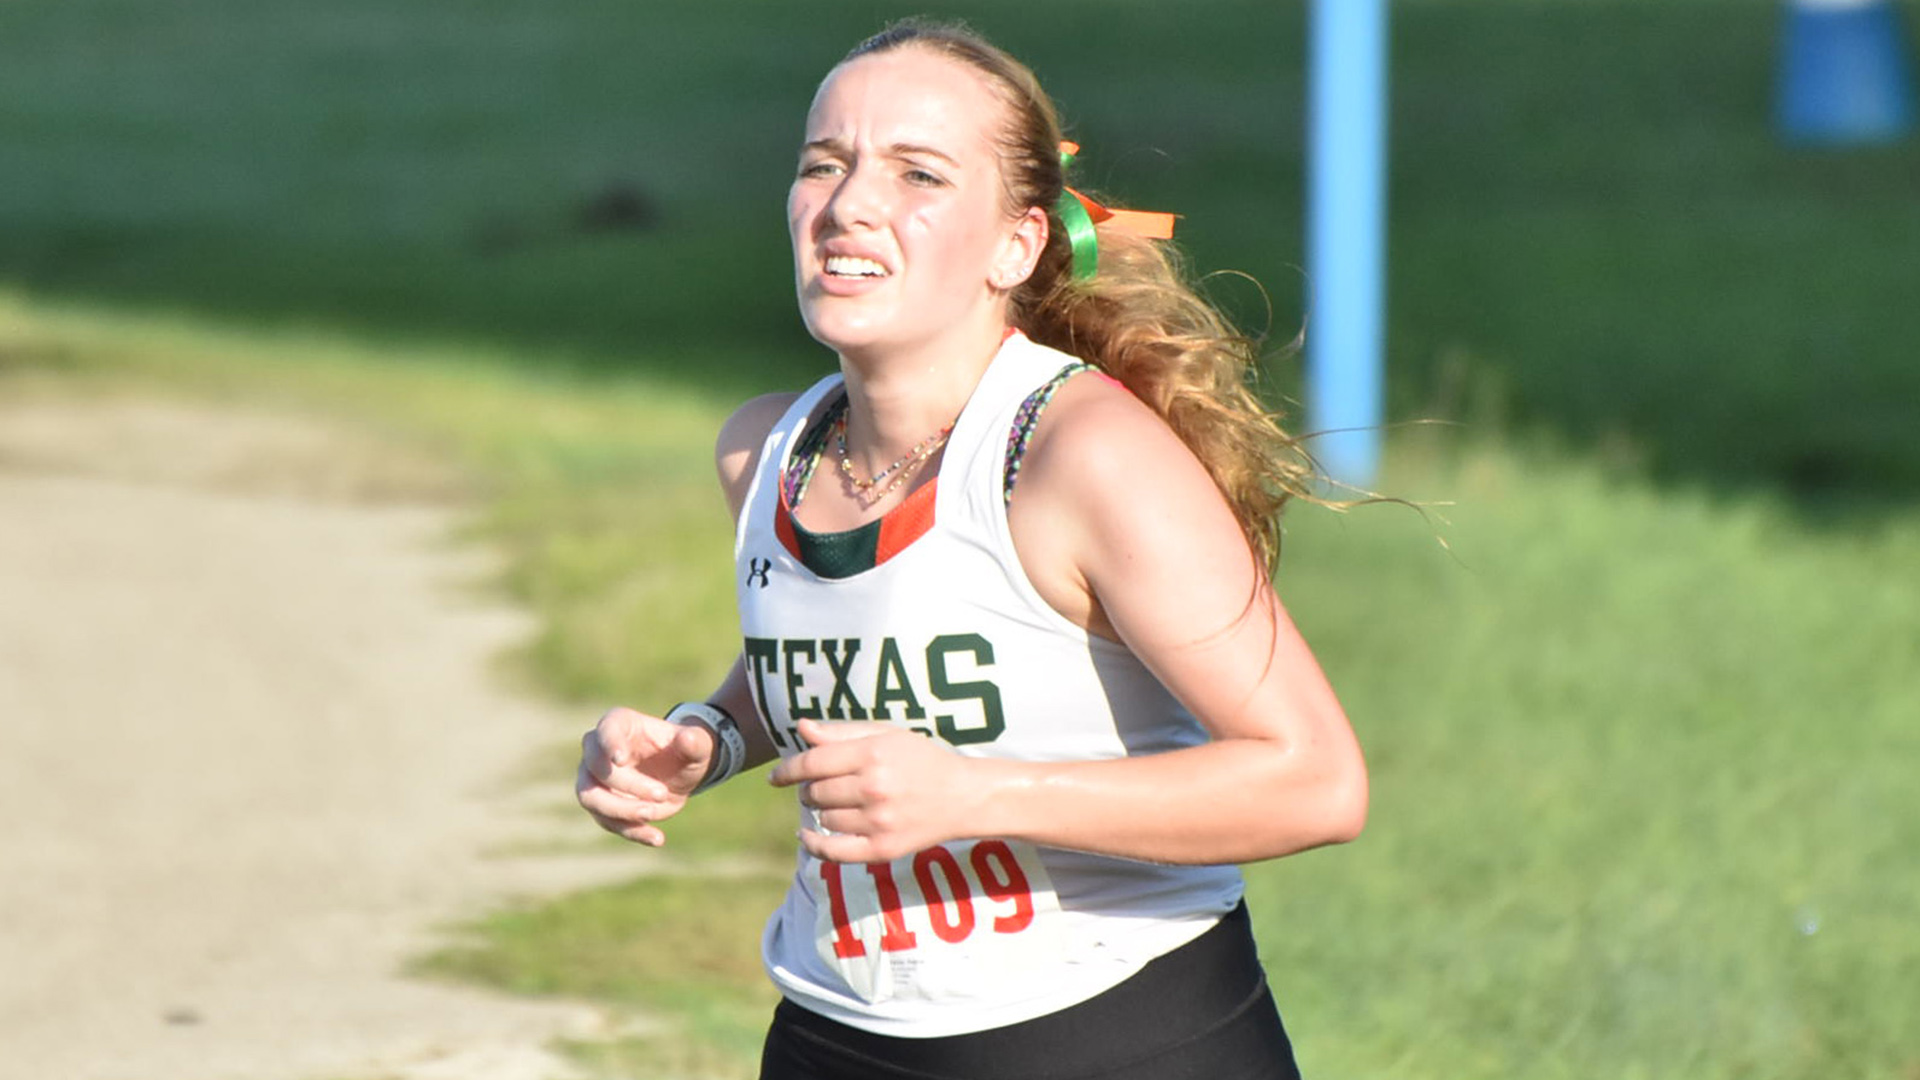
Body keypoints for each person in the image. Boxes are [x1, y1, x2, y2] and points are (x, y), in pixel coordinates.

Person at [576, 18, 1368, 1079]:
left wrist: (979, 796)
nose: (850, 203)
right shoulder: (766, 450)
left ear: (1017, 244)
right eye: (824, 164)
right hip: (833, 1029)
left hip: (1113, 1029)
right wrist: (707, 736)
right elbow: (841, 674)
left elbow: (1316, 779)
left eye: (919, 175)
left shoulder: (1079, 454)